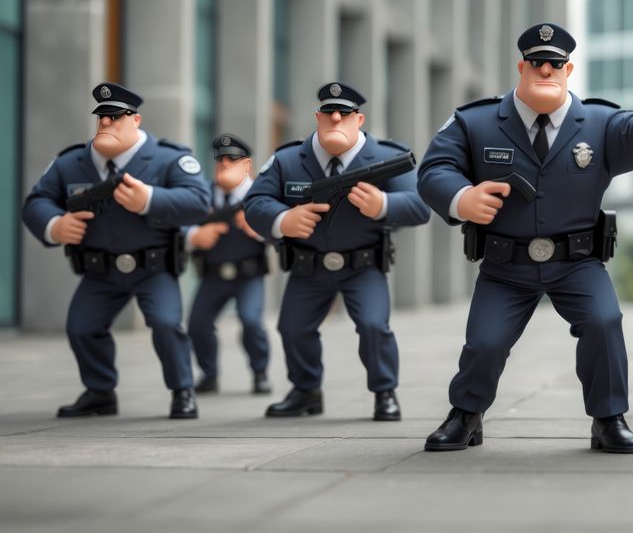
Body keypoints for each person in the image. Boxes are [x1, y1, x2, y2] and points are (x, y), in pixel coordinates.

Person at [418, 22, 633, 453]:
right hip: (506, 265)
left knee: (604, 323)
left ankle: (609, 418)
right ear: (521, 66)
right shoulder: (475, 122)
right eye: (537, 62)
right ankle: (466, 413)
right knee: (485, 341)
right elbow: (434, 170)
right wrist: (462, 198)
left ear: (569, 69)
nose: (546, 70)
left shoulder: (599, 122)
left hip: (577, 262)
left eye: (556, 64)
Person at [22, 83, 210, 419]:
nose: (107, 124)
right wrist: (55, 225)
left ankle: (183, 390)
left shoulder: (169, 159)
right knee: (81, 327)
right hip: (100, 269)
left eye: (116, 118)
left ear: (135, 120)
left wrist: (150, 199)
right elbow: (37, 201)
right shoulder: (72, 162)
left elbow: (198, 202)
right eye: (102, 118)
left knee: (167, 324)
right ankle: (99, 392)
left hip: (153, 266)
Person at [245, 82, 430, 420]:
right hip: (308, 265)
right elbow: (255, 203)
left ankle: (384, 392)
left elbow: (420, 206)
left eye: (344, 114)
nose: (335, 119)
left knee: (374, 326)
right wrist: (283, 220)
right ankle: (305, 390)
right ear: (317, 117)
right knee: (293, 328)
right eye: (328, 113)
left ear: (358, 120)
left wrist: (383, 204)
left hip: (363, 263)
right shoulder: (288, 159)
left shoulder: (388, 158)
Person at [184, 133, 272, 395]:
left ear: (246, 165)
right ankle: (209, 374)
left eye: (232, 160)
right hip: (212, 275)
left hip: (249, 273)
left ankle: (260, 372)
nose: (224, 164)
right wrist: (194, 236)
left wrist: (257, 229)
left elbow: (283, 232)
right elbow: (178, 221)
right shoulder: (203, 194)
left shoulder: (260, 194)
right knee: (197, 324)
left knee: (251, 320)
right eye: (220, 159)